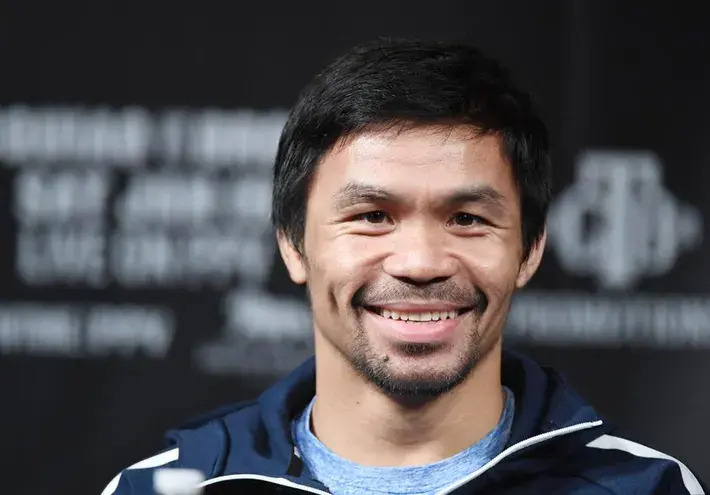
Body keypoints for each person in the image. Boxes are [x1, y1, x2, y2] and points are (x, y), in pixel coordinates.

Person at [102, 38, 706, 495]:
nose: (420, 263)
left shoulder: (648, 489)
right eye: (372, 216)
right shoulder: (165, 489)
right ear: (292, 245)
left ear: (530, 249)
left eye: (467, 218)